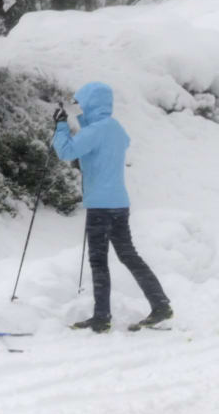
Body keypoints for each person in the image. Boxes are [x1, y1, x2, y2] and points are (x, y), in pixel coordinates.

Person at [50, 81, 171, 333]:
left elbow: (65, 152)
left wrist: (61, 126)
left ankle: (102, 317)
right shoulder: (115, 128)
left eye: (81, 104)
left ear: (91, 103)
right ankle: (160, 304)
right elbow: (101, 147)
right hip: (119, 203)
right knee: (128, 255)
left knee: (98, 261)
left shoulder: (96, 131)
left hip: (100, 207)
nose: (79, 109)